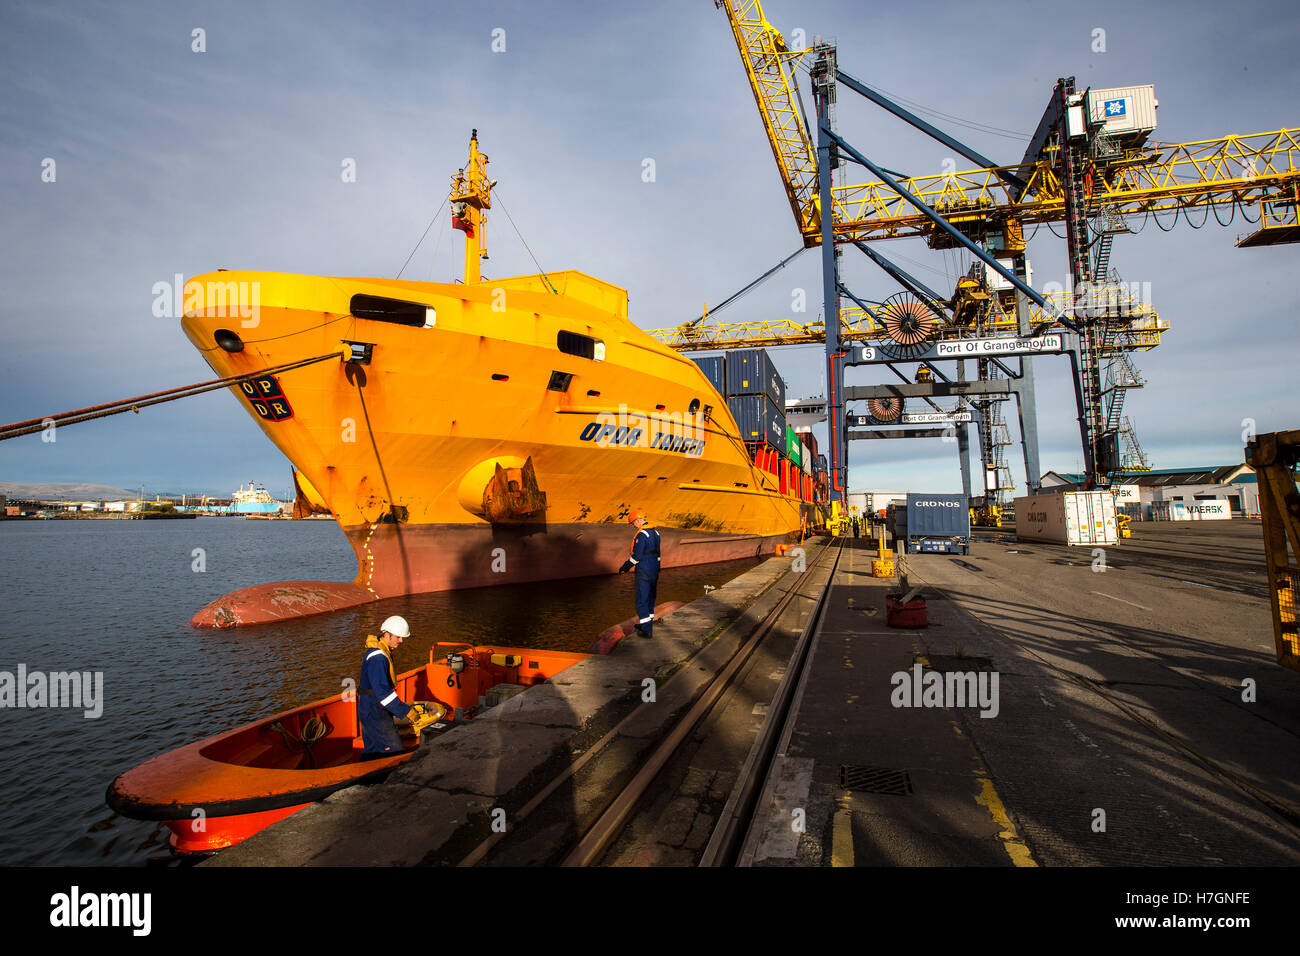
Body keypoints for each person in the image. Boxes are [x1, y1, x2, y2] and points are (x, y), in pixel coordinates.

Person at [357, 615, 424, 760]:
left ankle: (366, 778)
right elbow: (383, 693)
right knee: (394, 752)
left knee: (373, 751)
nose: (401, 641)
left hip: (370, 708)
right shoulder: (378, 658)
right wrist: (406, 711)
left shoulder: (380, 653)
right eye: (398, 637)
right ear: (387, 635)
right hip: (374, 711)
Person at [618, 509, 661, 637]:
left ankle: (646, 631)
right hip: (655, 568)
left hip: (644, 569)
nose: (633, 526)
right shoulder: (656, 533)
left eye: (633, 523)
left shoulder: (642, 535)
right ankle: (648, 624)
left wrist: (625, 567)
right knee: (651, 597)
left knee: (642, 599)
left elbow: (637, 556)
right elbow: (658, 553)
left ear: (637, 521)